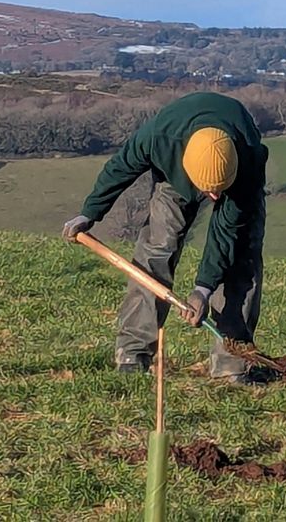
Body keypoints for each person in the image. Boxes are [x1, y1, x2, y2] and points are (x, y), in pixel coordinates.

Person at [62, 91, 267, 382]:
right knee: (156, 250)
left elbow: (225, 237)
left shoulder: (249, 159)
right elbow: (120, 168)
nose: (213, 197)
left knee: (241, 259)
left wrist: (202, 289)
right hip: (174, 178)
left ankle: (232, 362)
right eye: (208, 190)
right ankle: (133, 353)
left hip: (239, 177)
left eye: (218, 190)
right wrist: (89, 213)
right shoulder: (158, 138)